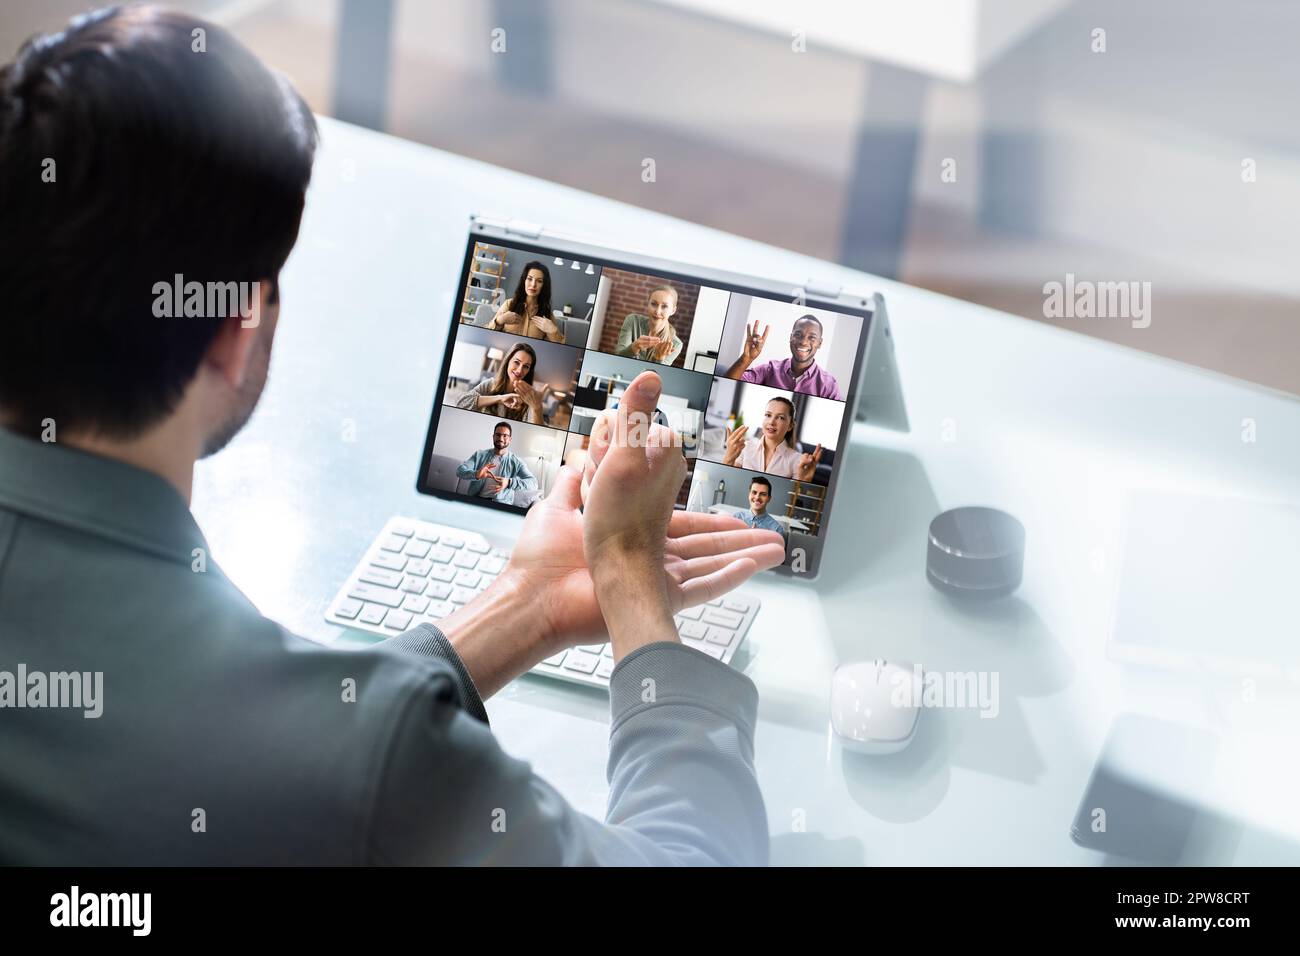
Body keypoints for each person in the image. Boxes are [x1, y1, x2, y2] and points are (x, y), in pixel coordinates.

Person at [0, 6, 786, 865]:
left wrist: (527, 606)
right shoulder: (351, 760)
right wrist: (631, 577)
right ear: (235, 329)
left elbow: (304, 746)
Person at [724, 314, 843, 401]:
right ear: (791, 337)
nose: (803, 342)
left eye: (812, 337)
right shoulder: (769, 369)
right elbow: (728, 384)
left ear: (820, 343)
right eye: (798, 335)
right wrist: (746, 358)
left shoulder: (829, 385)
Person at [722, 396, 823, 481]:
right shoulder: (745, 447)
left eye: (780, 417)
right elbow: (729, 480)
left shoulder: (797, 460)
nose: (771, 422)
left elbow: (792, 496)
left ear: (790, 426)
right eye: (768, 415)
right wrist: (728, 458)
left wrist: (805, 480)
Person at [455, 341, 550, 424]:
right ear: (508, 361)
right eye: (516, 362)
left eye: (526, 366)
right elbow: (461, 403)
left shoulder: (528, 396)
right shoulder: (490, 384)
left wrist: (537, 408)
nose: (520, 370)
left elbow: (536, 427)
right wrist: (500, 398)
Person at [455, 421, 539, 505]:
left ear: (510, 439)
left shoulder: (517, 462)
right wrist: (476, 474)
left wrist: (509, 482)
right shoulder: (479, 455)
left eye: (505, 436)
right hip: (475, 500)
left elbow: (533, 483)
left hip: (501, 504)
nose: (501, 439)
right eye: (498, 435)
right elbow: (459, 471)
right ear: (493, 437)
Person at [487, 260, 565, 343]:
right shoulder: (509, 304)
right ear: (524, 281)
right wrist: (500, 320)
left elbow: (562, 346)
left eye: (539, 281)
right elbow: (487, 332)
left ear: (544, 285)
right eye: (530, 279)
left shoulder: (547, 313)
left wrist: (553, 331)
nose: (533, 284)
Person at [615, 284, 683, 365]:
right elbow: (618, 358)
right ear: (648, 304)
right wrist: (635, 347)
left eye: (664, 306)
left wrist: (658, 358)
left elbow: (654, 375)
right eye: (654, 304)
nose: (657, 311)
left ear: (673, 310)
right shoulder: (632, 320)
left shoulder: (675, 344)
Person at [740, 476, 787, 544]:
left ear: (769, 498)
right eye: (754, 492)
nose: (757, 497)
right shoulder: (736, 518)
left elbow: (775, 554)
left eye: (763, 494)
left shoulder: (776, 530)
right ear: (749, 494)